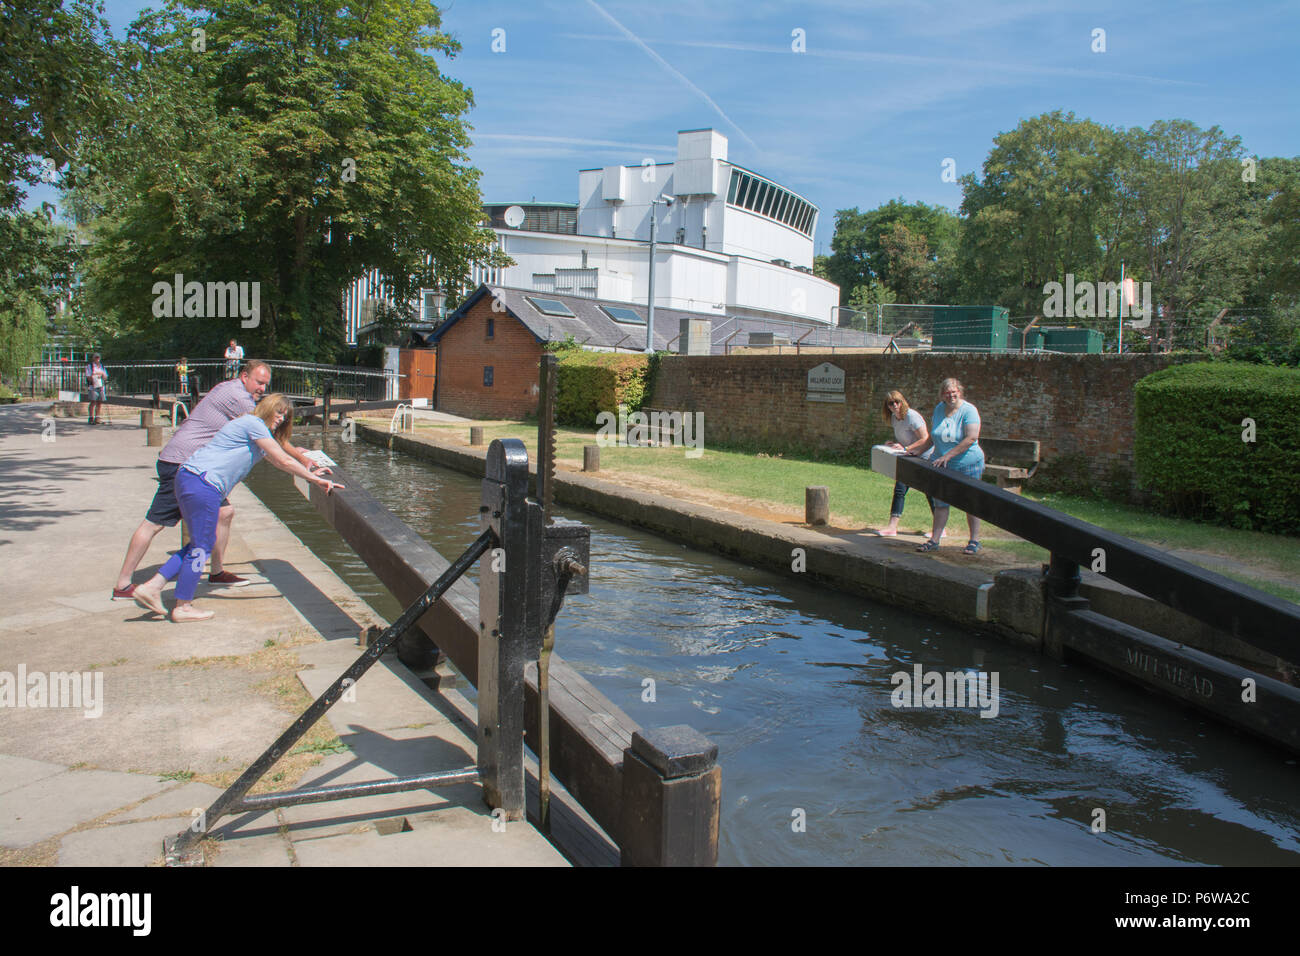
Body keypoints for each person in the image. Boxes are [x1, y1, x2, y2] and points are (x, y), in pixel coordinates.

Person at [112, 360, 325, 599]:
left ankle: (216, 572)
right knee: (155, 524)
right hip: (182, 463)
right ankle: (123, 585)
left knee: (225, 514)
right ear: (244, 376)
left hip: (196, 469)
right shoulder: (239, 399)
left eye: (266, 384)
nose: (262, 389)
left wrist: (298, 455)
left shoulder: (229, 389)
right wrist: (301, 459)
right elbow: (270, 439)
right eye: (258, 382)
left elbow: (270, 439)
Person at [133, 394, 343, 622]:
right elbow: (283, 461)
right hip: (204, 483)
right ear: (267, 408)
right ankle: (182, 606)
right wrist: (314, 480)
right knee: (202, 547)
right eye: (278, 412)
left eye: (285, 416)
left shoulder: (252, 429)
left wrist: (308, 468)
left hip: (192, 478)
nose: (281, 419)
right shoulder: (253, 423)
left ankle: (153, 586)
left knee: (199, 544)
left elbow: (278, 459)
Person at [912, 378, 984, 555]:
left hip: (967, 463)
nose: (951, 395)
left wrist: (948, 456)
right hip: (942, 463)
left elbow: (971, 438)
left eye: (954, 392)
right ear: (942, 394)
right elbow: (934, 436)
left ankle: (974, 540)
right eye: (947, 392)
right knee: (940, 502)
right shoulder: (939, 409)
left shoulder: (969, 411)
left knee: (971, 502)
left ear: (960, 392)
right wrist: (919, 451)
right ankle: (934, 540)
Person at [876, 389, 932, 536]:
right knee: (900, 489)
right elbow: (905, 440)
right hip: (908, 456)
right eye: (890, 403)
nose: (894, 405)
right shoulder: (895, 418)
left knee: (930, 491)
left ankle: (940, 529)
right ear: (886, 406)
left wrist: (906, 448)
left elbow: (925, 438)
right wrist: (893, 444)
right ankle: (892, 527)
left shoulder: (912, 416)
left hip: (924, 456)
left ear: (902, 402)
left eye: (897, 402)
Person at [84, 353, 108, 425]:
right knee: (93, 401)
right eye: (96, 357)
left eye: (98, 357)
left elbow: (105, 376)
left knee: (99, 402)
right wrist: (95, 376)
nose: (97, 359)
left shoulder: (102, 366)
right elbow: (88, 377)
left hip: (101, 386)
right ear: (93, 358)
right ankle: (91, 417)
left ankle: (97, 417)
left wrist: (103, 375)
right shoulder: (90, 366)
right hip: (93, 386)